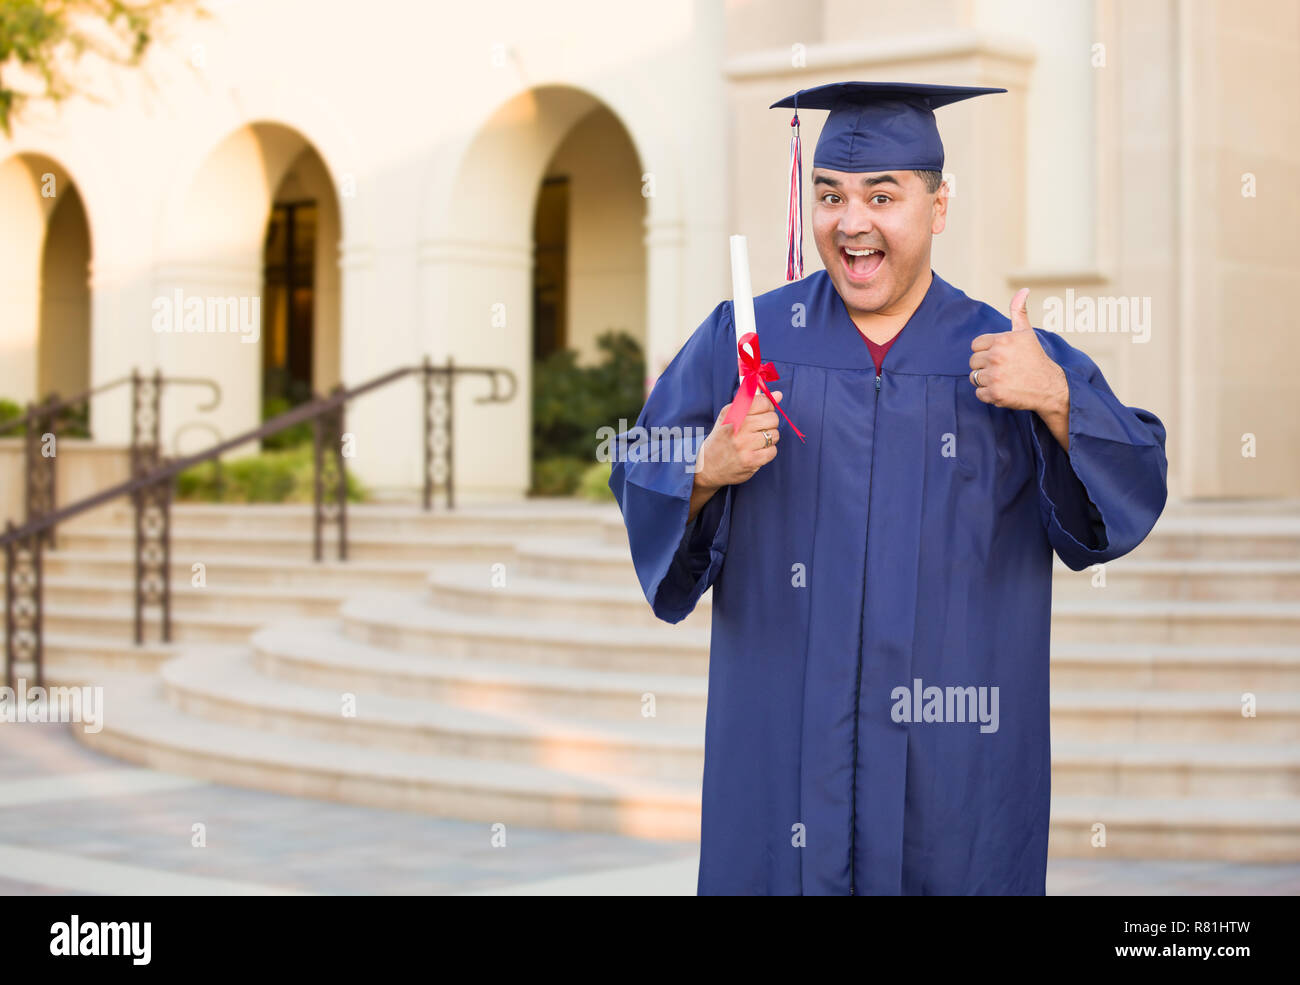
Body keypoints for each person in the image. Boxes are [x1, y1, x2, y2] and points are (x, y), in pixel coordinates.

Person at [608, 81, 1168, 895]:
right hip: (784, 757)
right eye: (830, 195)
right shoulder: (747, 339)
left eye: (883, 195)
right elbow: (638, 467)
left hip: (954, 773)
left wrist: (1055, 397)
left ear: (938, 208)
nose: (852, 220)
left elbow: (1135, 484)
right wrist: (704, 469)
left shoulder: (1006, 355)